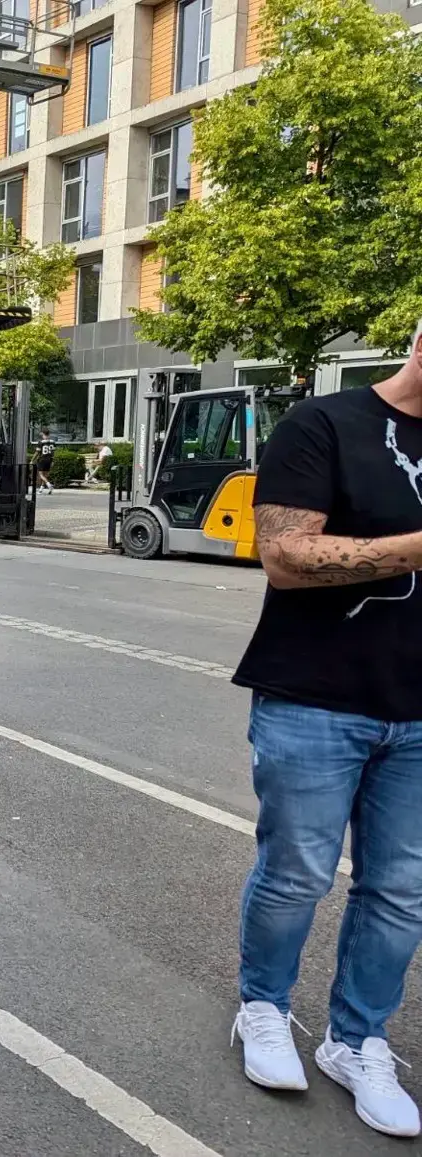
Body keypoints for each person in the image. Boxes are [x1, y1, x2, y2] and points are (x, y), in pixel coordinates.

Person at [229, 320, 422, 1139]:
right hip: (317, 697)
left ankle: (358, 1039)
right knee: (297, 872)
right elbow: (285, 553)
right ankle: (263, 1008)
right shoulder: (325, 425)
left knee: (402, 890)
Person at [33, 429, 56, 494]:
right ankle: (41, 489)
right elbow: (53, 452)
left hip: (42, 459)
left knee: (41, 475)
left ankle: (49, 485)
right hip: (49, 459)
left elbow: (37, 452)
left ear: (43, 434)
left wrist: (32, 460)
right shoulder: (53, 442)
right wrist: (52, 460)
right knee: (45, 475)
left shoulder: (41, 442)